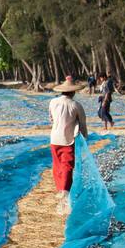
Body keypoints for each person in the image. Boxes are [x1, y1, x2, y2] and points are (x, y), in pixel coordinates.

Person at [49, 76, 88, 212]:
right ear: (73, 92)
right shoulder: (75, 105)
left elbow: (51, 118)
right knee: (67, 165)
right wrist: (84, 136)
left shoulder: (53, 102)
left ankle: (60, 189)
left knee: (57, 164)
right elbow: (82, 124)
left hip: (54, 138)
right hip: (67, 139)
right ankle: (65, 191)